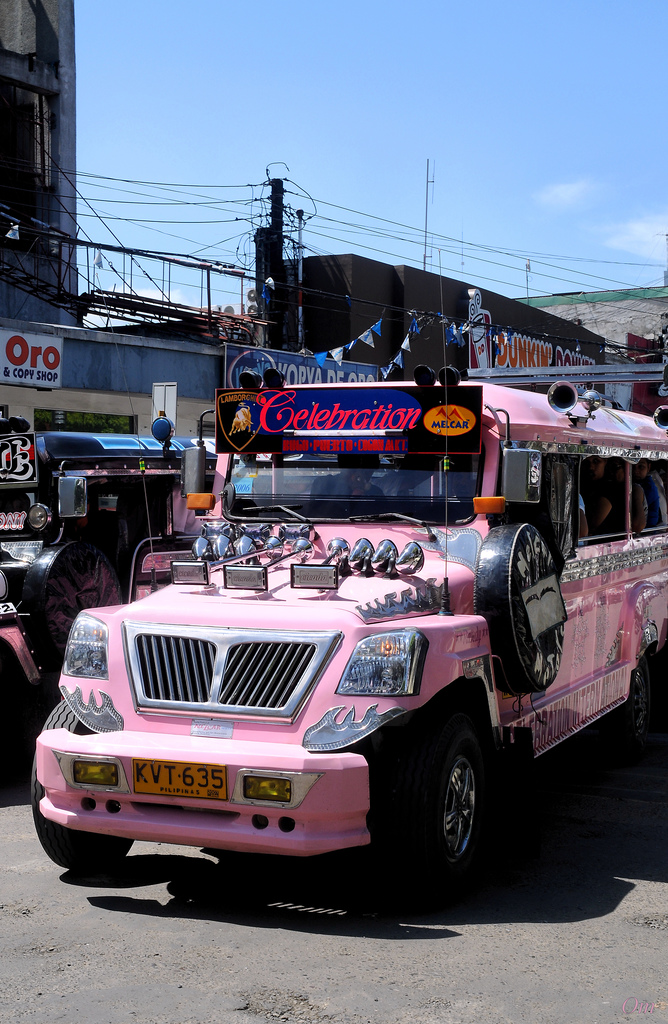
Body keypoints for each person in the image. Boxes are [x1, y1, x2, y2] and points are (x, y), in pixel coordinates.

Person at [633, 458, 662, 527]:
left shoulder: (649, 487)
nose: (636, 471)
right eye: (633, 466)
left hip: (647, 531)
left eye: (641, 467)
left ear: (648, 467)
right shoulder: (638, 483)